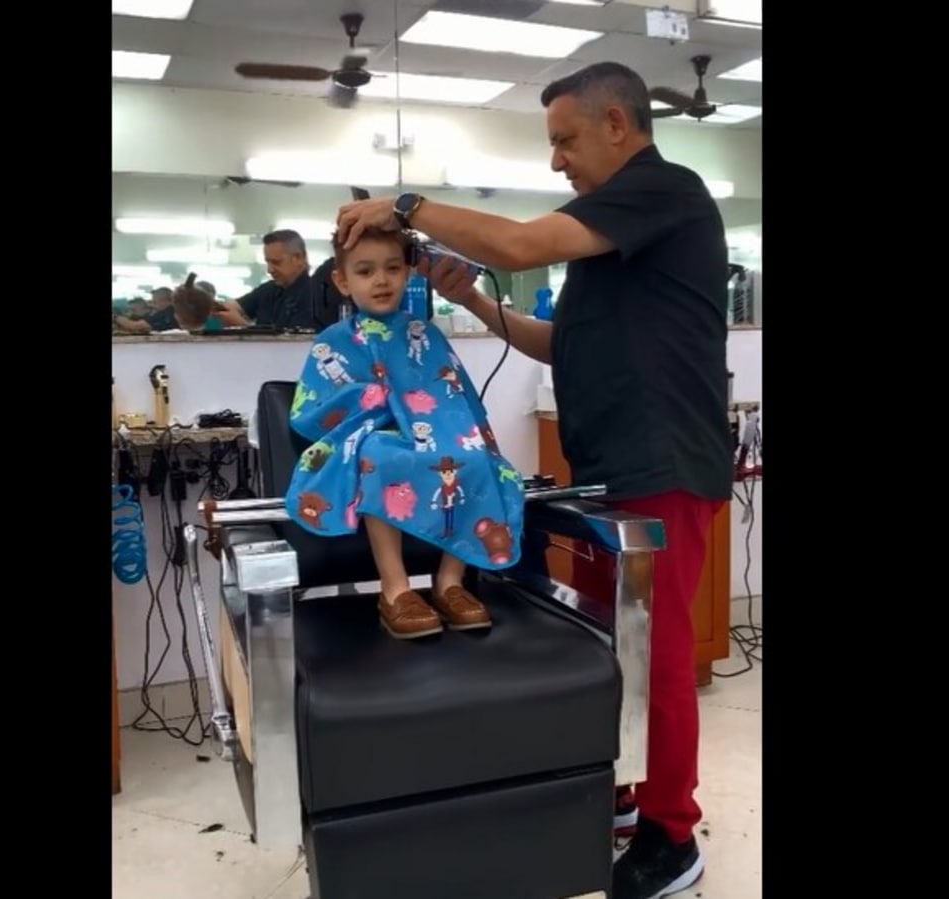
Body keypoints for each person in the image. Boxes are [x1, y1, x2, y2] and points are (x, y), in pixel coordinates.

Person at [335, 61, 734, 899]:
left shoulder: (667, 190)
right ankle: (628, 796)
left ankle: (673, 835)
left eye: (565, 139)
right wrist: (480, 306)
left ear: (617, 125)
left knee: (657, 655)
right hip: (605, 474)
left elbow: (519, 242)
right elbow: (559, 345)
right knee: (610, 646)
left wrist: (403, 205)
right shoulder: (606, 241)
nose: (557, 160)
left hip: (663, 464)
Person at [283, 227, 527, 640]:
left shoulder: (424, 333)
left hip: (432, 435)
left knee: (476, 456)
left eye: (392, 268)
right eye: (365, 271)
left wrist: (434, 422)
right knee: (382, 455)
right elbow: (314, 412)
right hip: (372, 437)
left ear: (408, 273)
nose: (381, 279)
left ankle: (450, 580)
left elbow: (455, 396)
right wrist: (378, 400)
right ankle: (394, 588)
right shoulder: (333, 342)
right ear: (343, 281)